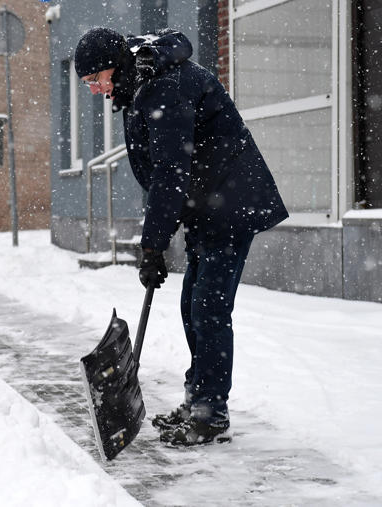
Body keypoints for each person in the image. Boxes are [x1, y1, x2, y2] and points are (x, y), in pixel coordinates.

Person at [74, 28, 289, 445]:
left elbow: (170, 174)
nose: (96, 89)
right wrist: (161, 234)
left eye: (95, 79)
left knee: (208, 308)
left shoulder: (163, 88)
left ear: (114, 65)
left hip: (230, 204)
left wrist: (152, 244)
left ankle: (210, 412)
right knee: (194, 302)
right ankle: (198, 402)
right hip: (208, 206)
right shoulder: (141, 82)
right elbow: (161, 172)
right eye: (88, 84)